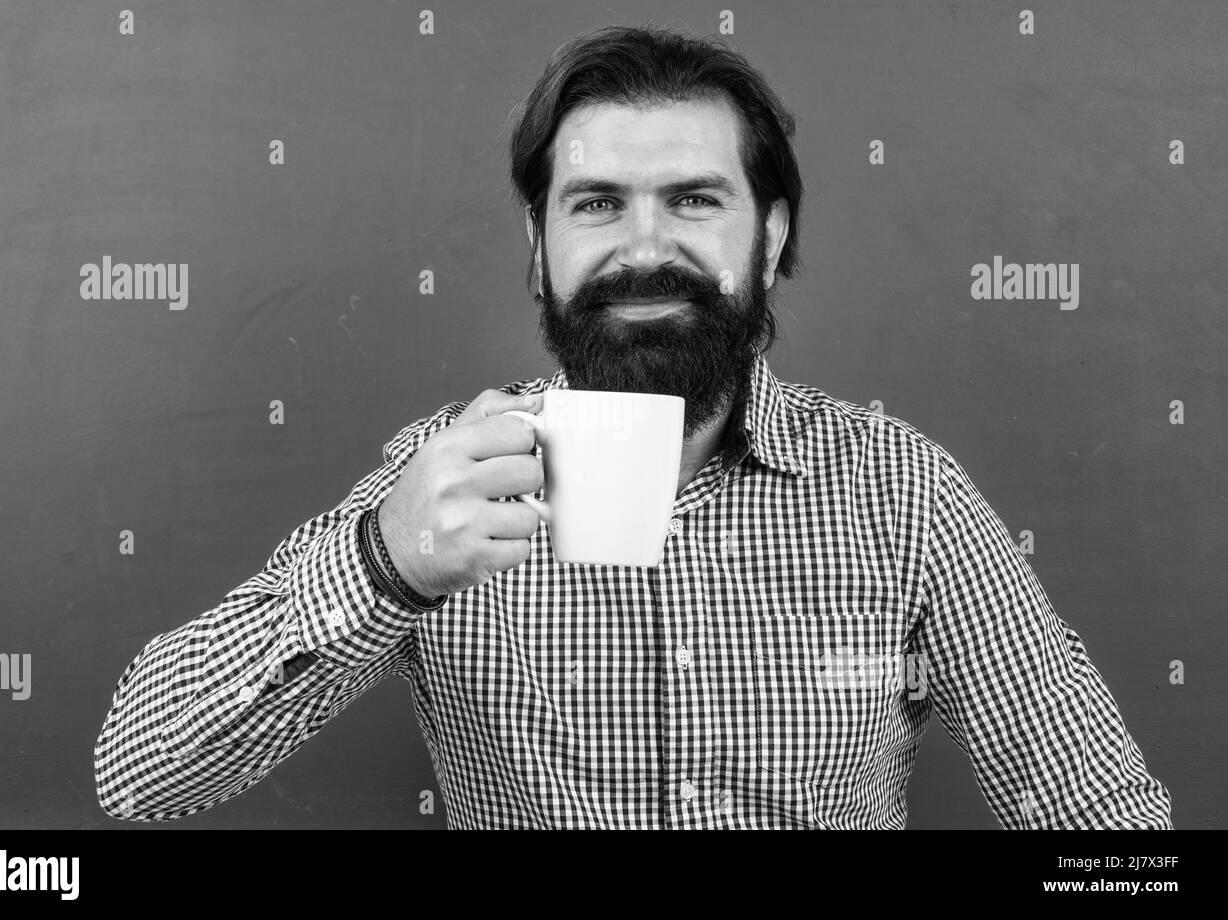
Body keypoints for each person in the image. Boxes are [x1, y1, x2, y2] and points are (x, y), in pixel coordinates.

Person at [94, 25, 1172, 829]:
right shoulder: (447, 476)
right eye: (597, 202)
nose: (643, 246)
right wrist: (383, 564)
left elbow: (1096, 809)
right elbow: (138, 770)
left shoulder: (904, 490)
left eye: (695, 200)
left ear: (770, 232)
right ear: (538, 242)